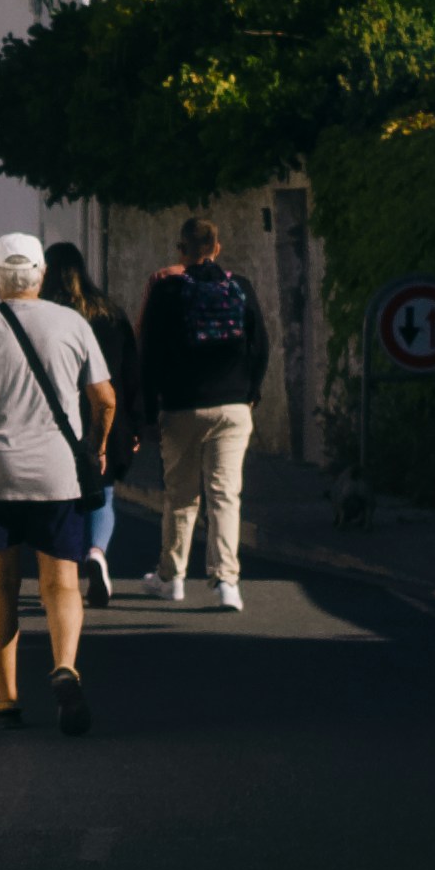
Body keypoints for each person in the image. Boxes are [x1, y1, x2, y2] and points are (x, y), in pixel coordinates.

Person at [0, 234, 119, 734]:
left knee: (0, 584)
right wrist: (97, 447)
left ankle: (6, 699)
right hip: (58, 474)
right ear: (39, 275)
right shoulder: (73, 323)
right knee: (61, 583)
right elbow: (105, 399)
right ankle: (65, 665)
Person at [134, 211, 268, 605]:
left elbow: (150, 354)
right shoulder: (239, 286)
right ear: (217, 248)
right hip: (233, 405)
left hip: (182, 406)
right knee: (225, 494)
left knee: (181, 495)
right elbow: (260, 343)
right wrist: (252, 391)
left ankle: (171, 577)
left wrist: (148, 409)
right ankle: (227, 582)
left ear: (183, 249)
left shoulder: (167, 290)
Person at [49, 248, 145, 599]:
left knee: (62, 496)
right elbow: (131, 374)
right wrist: (135, 422)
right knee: (102, 491)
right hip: (107, 416)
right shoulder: (109, 313)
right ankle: (96, 552)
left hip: (58, 420)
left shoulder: (48, 315)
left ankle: (66, 566)